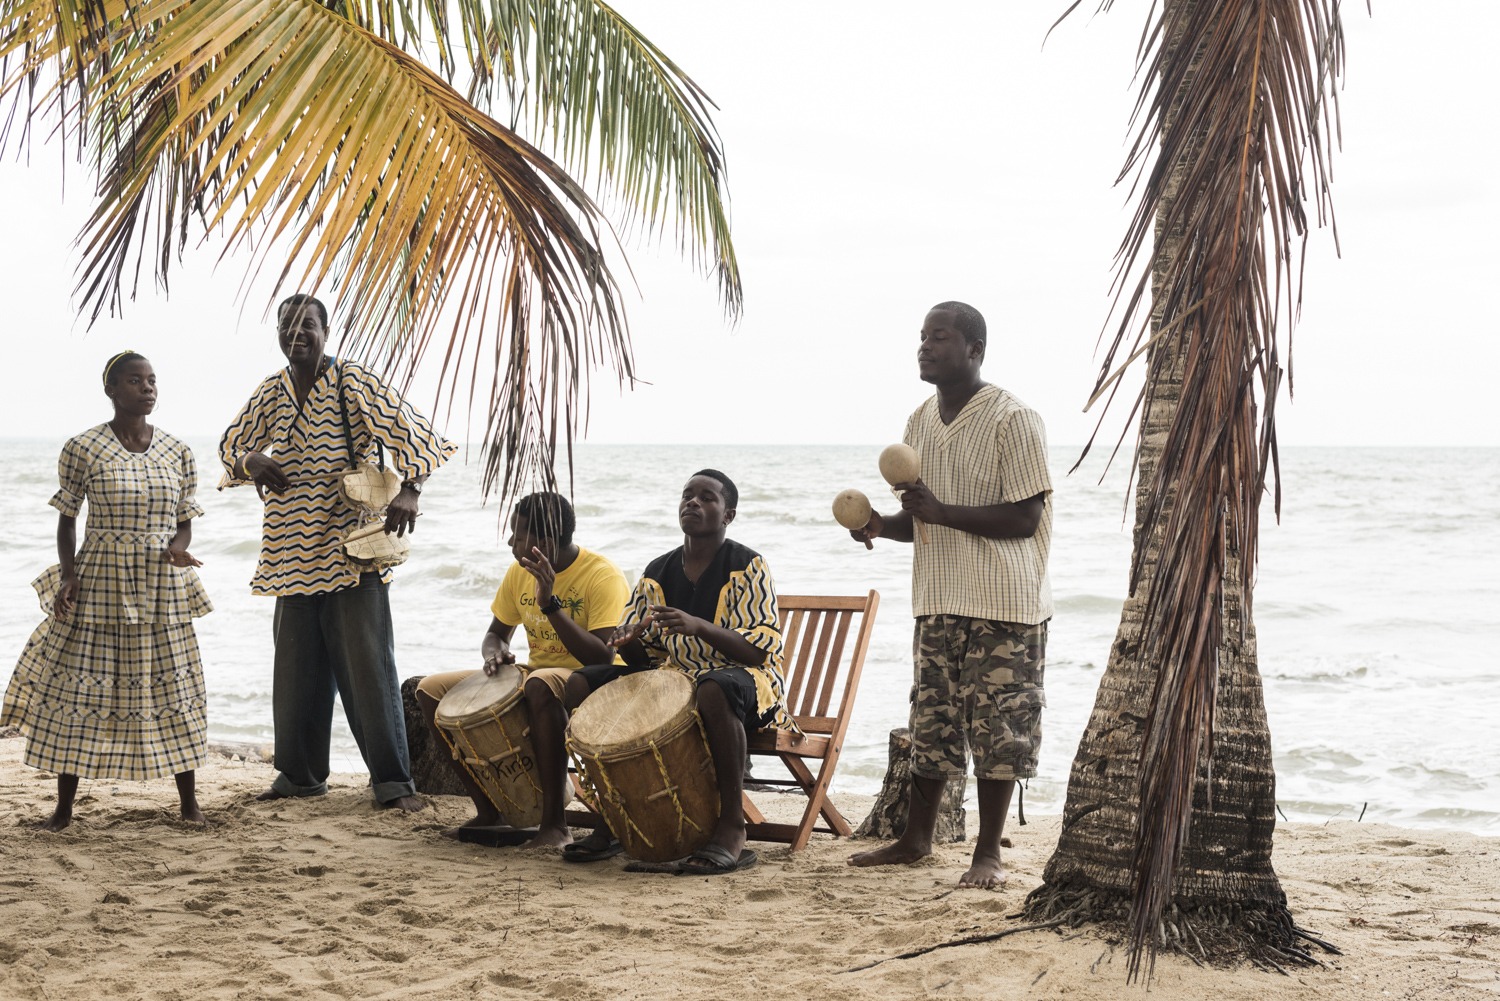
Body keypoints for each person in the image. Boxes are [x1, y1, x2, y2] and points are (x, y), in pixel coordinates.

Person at [220, 293, 456, 811]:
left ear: (326, 332)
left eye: (307, 325)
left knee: (368, 670)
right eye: (287, 325)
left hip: (351, 551)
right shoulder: (272, 391)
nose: (296, 333)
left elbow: (413, 434)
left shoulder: (353, 380)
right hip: (289, 549)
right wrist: (251, 460)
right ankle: (299, 778)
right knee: (296, 673)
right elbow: (230, 444)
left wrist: (411, 489)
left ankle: (393, 784)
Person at [847, 301, 1053, 889]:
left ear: (975, 350)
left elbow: (1025, 518)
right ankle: (915, 840)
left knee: (1000, 728)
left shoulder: (1014, 419)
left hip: (1003, 603)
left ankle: (987, 852)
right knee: (932, 723)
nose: (924, 347)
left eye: (939, 338)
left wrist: (940, 511)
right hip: (938, 598)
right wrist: (881, 526)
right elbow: (924, 521)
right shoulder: (918, 422)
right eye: (921, 337)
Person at [2, 352, 211, 831]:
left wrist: (179, 549)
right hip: (100, 579)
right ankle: (62, 810)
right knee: (79, 687)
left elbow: (184, 524)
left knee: (174, 686)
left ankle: (189, 804)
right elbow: (67, 518)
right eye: (135, 381)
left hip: (161, 585)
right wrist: (69, 574)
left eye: (153, 380)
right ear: (111, 389)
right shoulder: (83, 448)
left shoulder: (178, 450)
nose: (148, 388)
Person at [561, 469, 790, 874]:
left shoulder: (747, 565)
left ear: (728, 515)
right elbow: (642, 664)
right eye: (688, 495)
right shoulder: (657, 571)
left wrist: (699, 625)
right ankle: (614, 818)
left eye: (707, 497)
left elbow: (757, 651)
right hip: (675, 682)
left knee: (713, 689)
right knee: (584, 684)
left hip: (745, 683)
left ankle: (733, 826)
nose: (693, 503)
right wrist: (626, 639)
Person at [414, 491, 629, 848]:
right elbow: (496, 634)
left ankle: (555, 825)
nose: (511, 541)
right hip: (536, 674)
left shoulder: (602, 575)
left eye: (518, 533)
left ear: (544, 542)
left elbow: (601, 658)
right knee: (432, 691)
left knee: (541, 684)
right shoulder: (519, 572)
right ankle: (489, 810)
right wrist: (495, 655)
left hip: (589, 679)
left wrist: (550, 606)